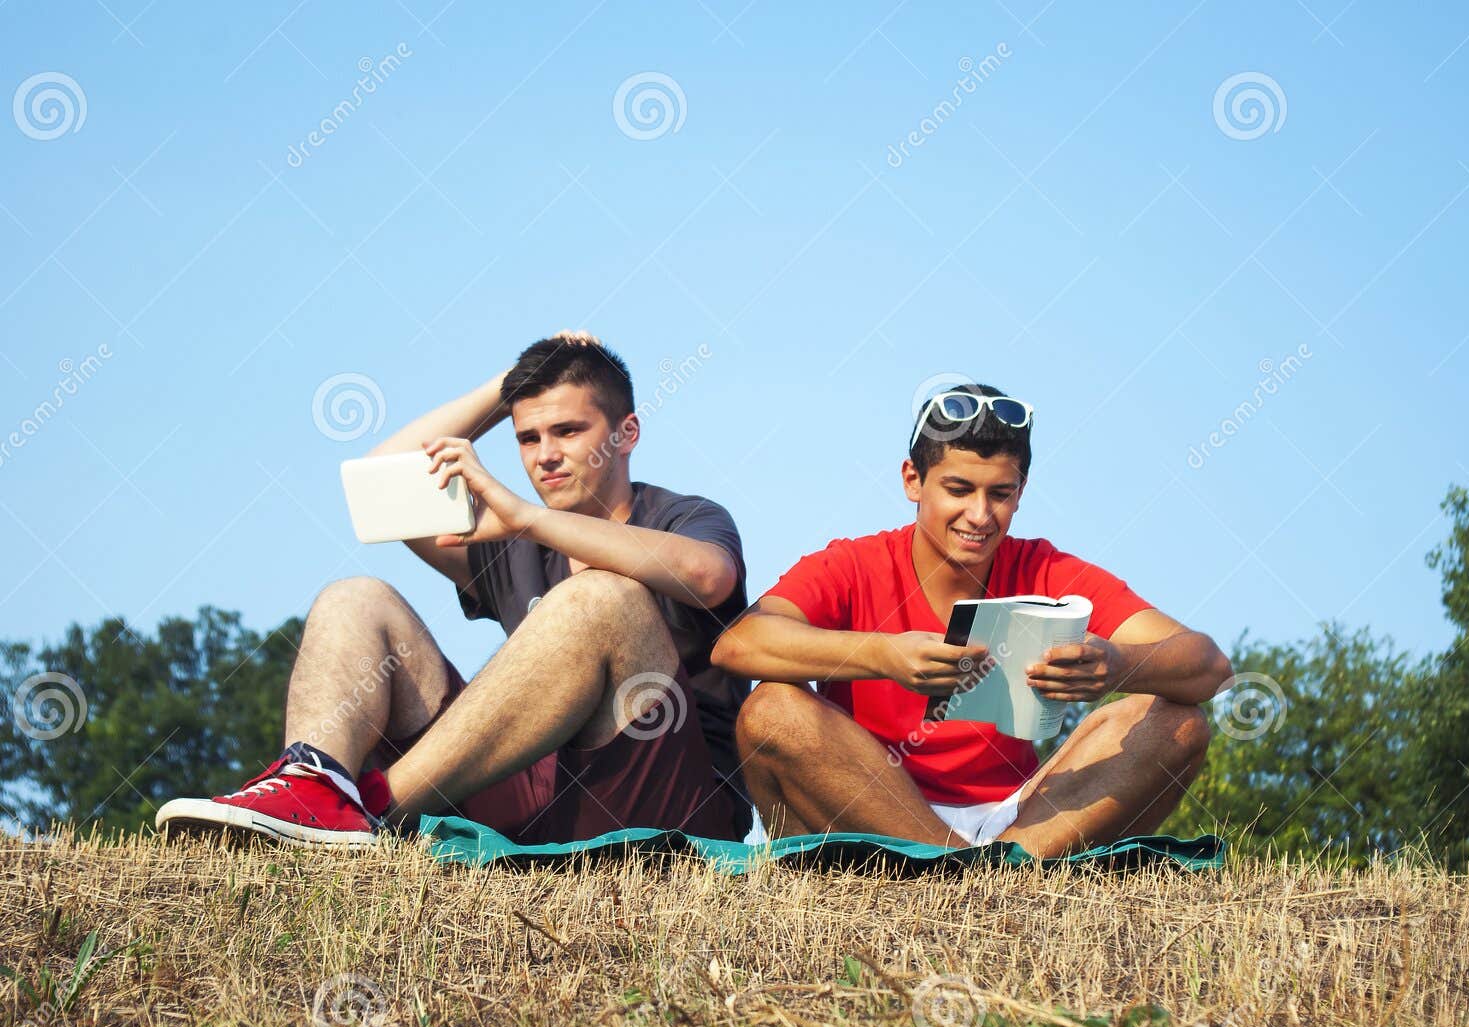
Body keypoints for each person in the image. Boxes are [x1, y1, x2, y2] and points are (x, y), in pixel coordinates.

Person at [157, 331, 751, 848]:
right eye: (526, 437)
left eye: (568, 431)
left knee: (602, 598)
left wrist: (525, 518)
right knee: (355, 599)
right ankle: (313, 788)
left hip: (670, 798)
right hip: (543, 796)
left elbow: (708, 576)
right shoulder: (513, 536)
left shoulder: (682, 515)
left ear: (626, 433)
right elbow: (379, 487)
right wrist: (510, 384)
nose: (545, 456)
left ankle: (374, 808)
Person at [710, 384, 1232, 858]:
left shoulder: (1045, 568)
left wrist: (1116, 665)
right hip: (870, 810)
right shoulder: (853, 563)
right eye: (959, 490)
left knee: (1176, 721)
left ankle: (977, 873)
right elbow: (738, 645)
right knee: (771, 708)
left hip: (1016, 822)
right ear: (912, 480)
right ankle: (967, 872)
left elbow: (1207, 665)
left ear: (1021, 491)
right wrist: (882, 656)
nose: (980, 516)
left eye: (1000, 494)